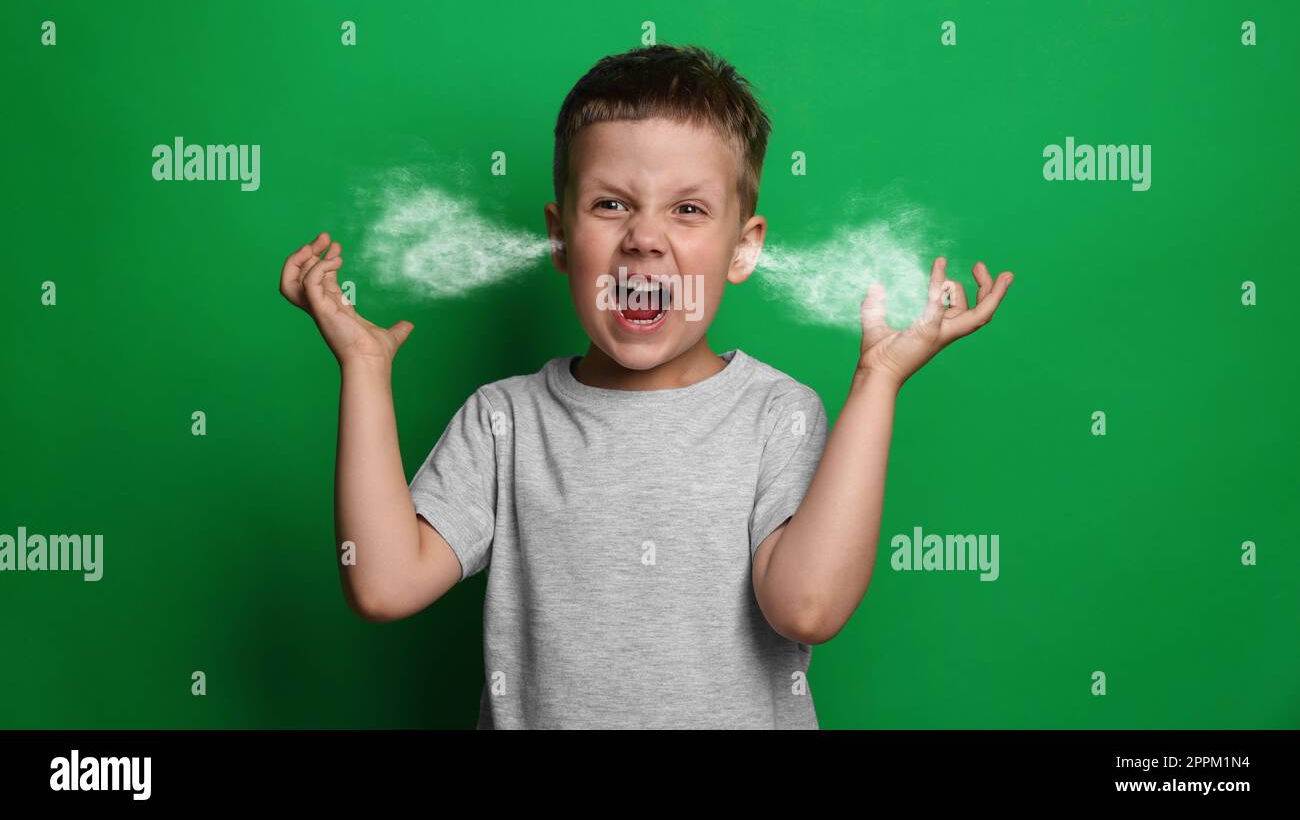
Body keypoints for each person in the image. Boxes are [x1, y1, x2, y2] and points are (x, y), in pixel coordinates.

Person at [278, 44, 1014, 728]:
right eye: (610, 204)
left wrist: (877, 381)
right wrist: (364, 370)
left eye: (688, 209)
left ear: (744, 247)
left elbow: (808, 606)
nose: (644, 237)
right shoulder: (505, 421)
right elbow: (378, 582)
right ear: (560, 237)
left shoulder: (777, 416)